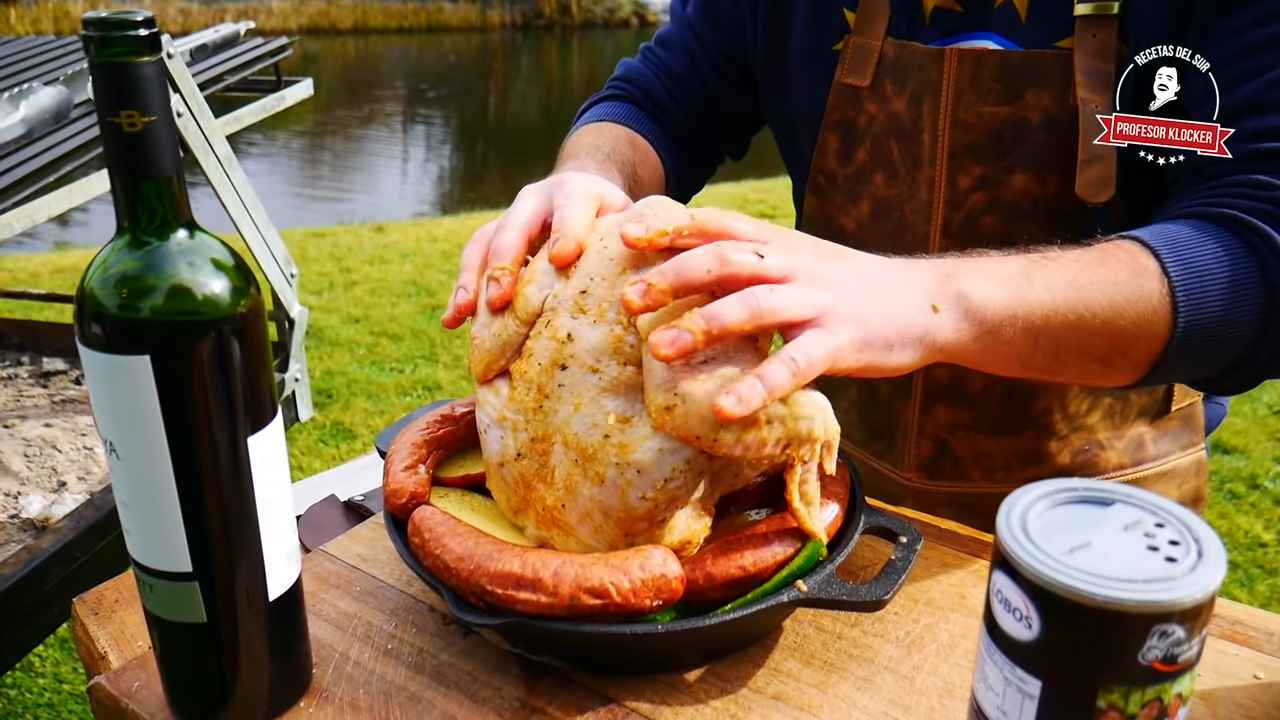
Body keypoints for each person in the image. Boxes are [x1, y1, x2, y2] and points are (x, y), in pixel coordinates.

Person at [441, 0, 1280, 531]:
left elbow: (1257, 253)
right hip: (830, 505)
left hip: (1096, 538)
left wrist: (929, 300)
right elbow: (657, 102)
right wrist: (588, 178)